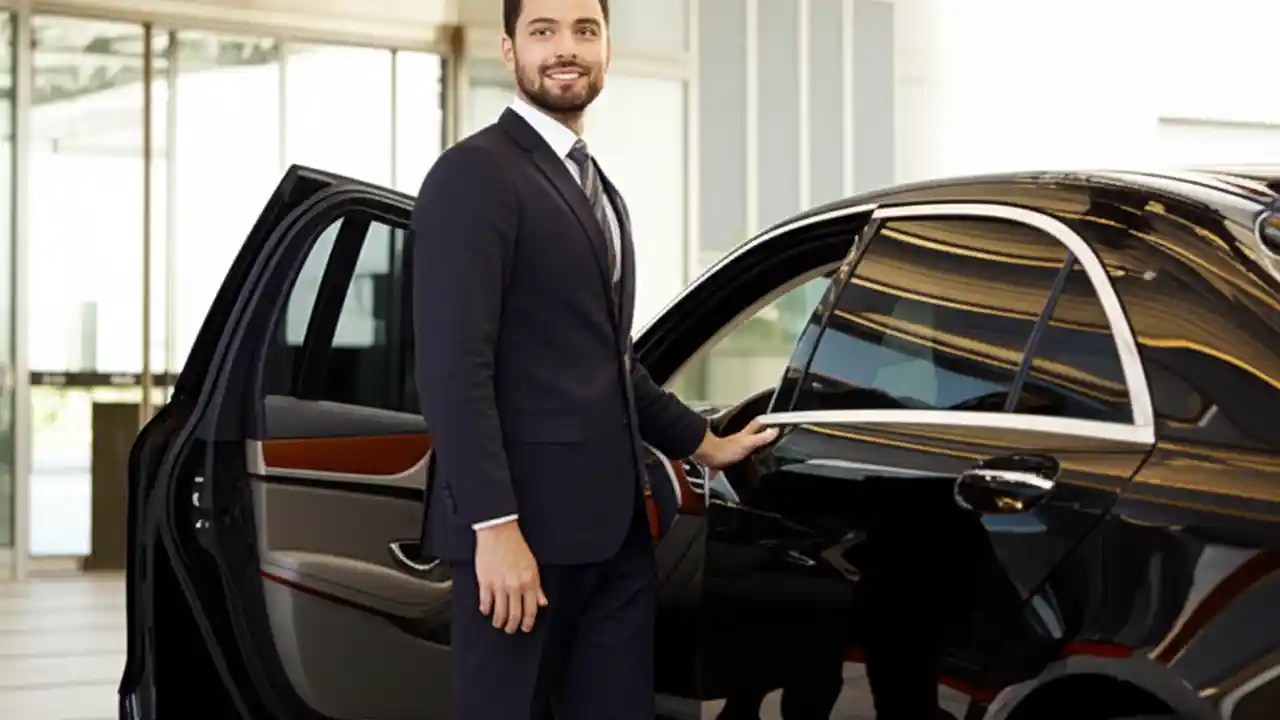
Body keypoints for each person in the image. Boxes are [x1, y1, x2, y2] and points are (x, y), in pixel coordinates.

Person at [410, 0, 779, 717]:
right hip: (522, 538)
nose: (565, 49)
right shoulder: (474, 175)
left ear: (608, 48)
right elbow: (455, 370)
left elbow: (607, 362)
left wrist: (707, 443)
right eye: (542, 32)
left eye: (585, 30)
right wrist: (495, 529)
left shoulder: (598, 188)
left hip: (614, 535)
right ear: (508, 51)